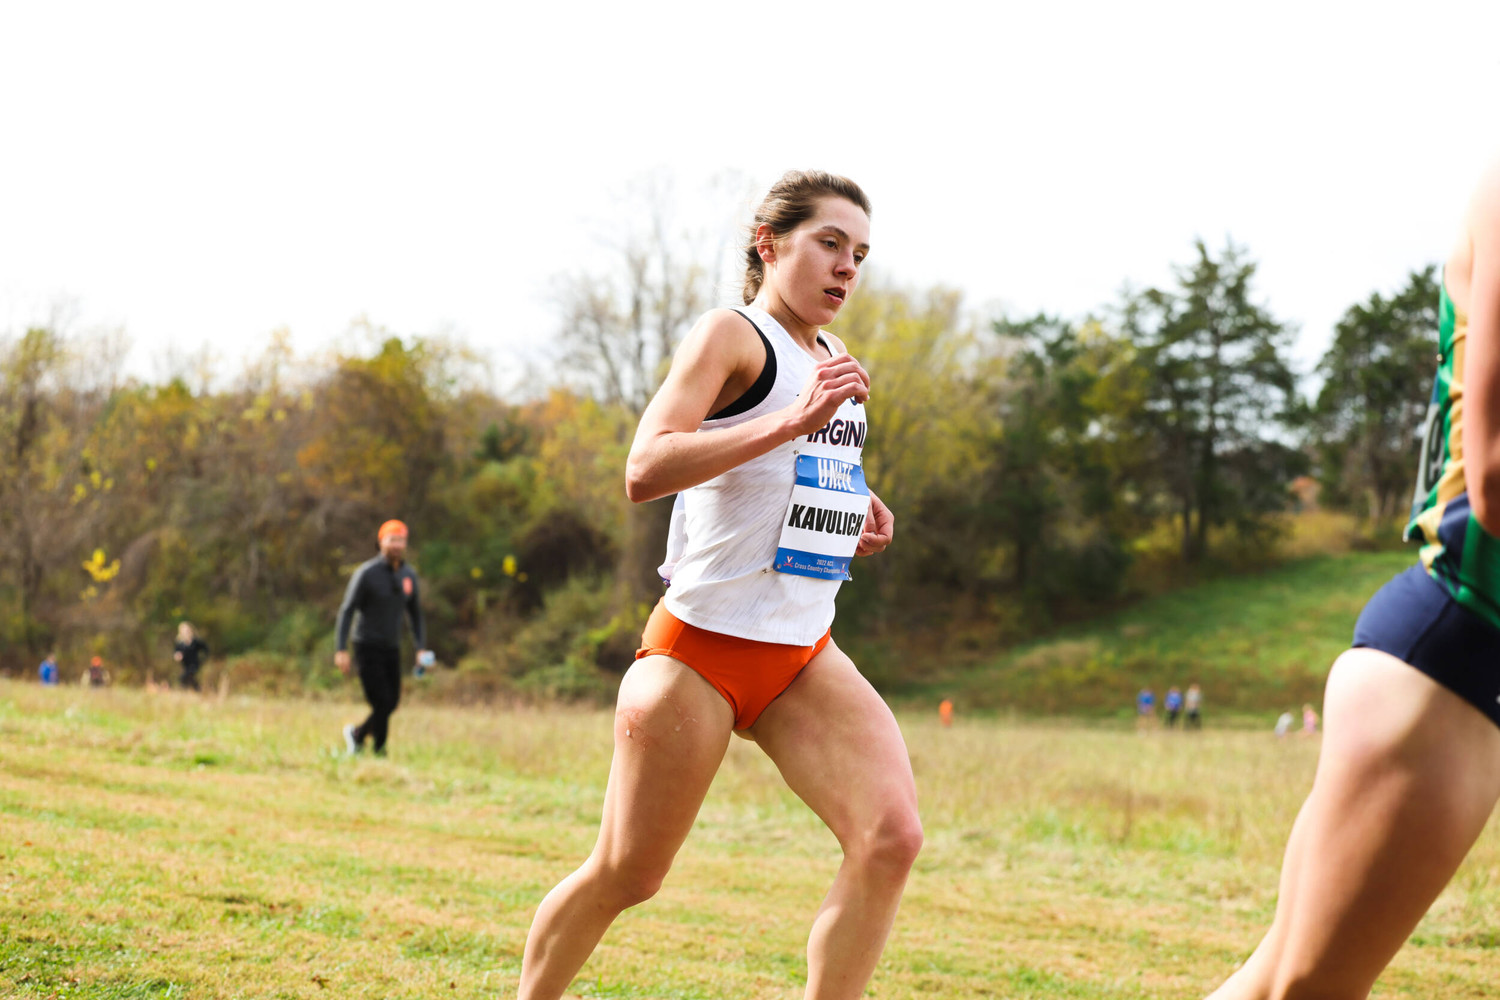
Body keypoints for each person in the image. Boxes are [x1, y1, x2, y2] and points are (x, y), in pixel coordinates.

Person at [517, 171, 918, 1000]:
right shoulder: (730, 336)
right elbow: (645, 466)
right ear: (770, 244)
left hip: (802, 653)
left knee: (890, 838)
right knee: (628, 873)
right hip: (698, 656)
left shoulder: (835, 358)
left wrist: (859, 502)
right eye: (830, 244)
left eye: (861, 256)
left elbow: (794, 473)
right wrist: (789, 422)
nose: (846, 268)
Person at [1206, 161, 1500, 999]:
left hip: (1462, 679)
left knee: (1278, 985)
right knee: (1305, 990)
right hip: (1446, 662)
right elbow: (1496, 478)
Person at [334, 519, 428, 756]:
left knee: (392, 701)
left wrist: (420, 647)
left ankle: (357, 735)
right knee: (382, 702)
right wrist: (340, 648)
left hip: (391, 646)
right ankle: (379, 750)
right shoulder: (366, 573)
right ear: (381, 542)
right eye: (392, 539)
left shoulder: (409, 575)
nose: (396, 545)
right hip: (366, 644)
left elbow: (415, 614)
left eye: (401, 540)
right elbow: (347, 610)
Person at [172, 622, 209, 691]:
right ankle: (198, 690)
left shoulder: (196, 642)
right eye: (184, 631)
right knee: (190, 679)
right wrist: (177, 656)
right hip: (185, 665)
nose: (186, 632)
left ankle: (187, 691)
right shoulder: (179, 643)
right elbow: (176, 653)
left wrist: (203, 658)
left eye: (187, 630)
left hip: (195, 664)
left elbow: (206, 649)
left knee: (184, 677)